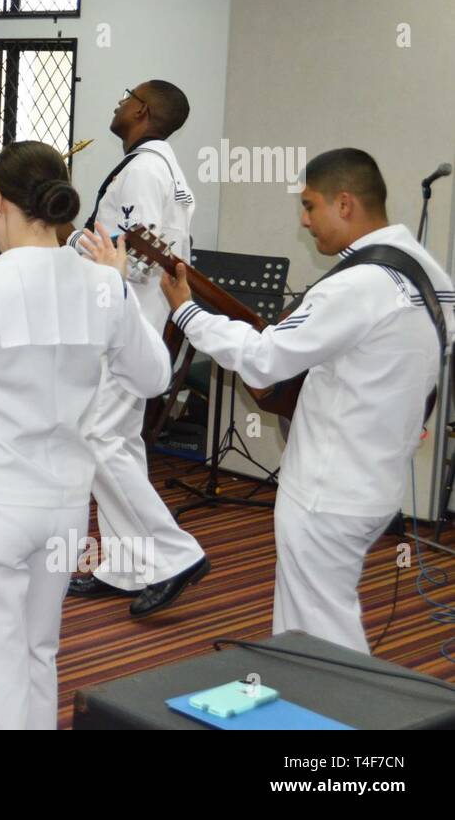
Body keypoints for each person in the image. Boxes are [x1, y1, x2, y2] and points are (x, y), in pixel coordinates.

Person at [0, 142, 171, 729]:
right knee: (38, 651)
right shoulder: (102, 286)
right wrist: (120, 287)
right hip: (64, 505)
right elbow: (155, 377)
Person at [165, 148, 455, 652]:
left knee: (317, 635)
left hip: (328, 488)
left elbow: (262, 359)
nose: (304, 220)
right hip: (378, 480)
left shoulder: (356, 285)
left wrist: (186, 312)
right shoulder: (431, 275)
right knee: (317, 617)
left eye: (309, 205)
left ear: (345, 203)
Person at [63, 81, 209, 617]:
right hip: (128, 322)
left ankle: (175, 553)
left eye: (126, 95)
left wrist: (79, 248)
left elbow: (142, 254)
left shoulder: (146, 169)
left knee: (99, 438)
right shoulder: (152, 164)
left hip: (126, 327)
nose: (119, 101)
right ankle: (126, 564)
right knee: (116, 441)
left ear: (142, 110)